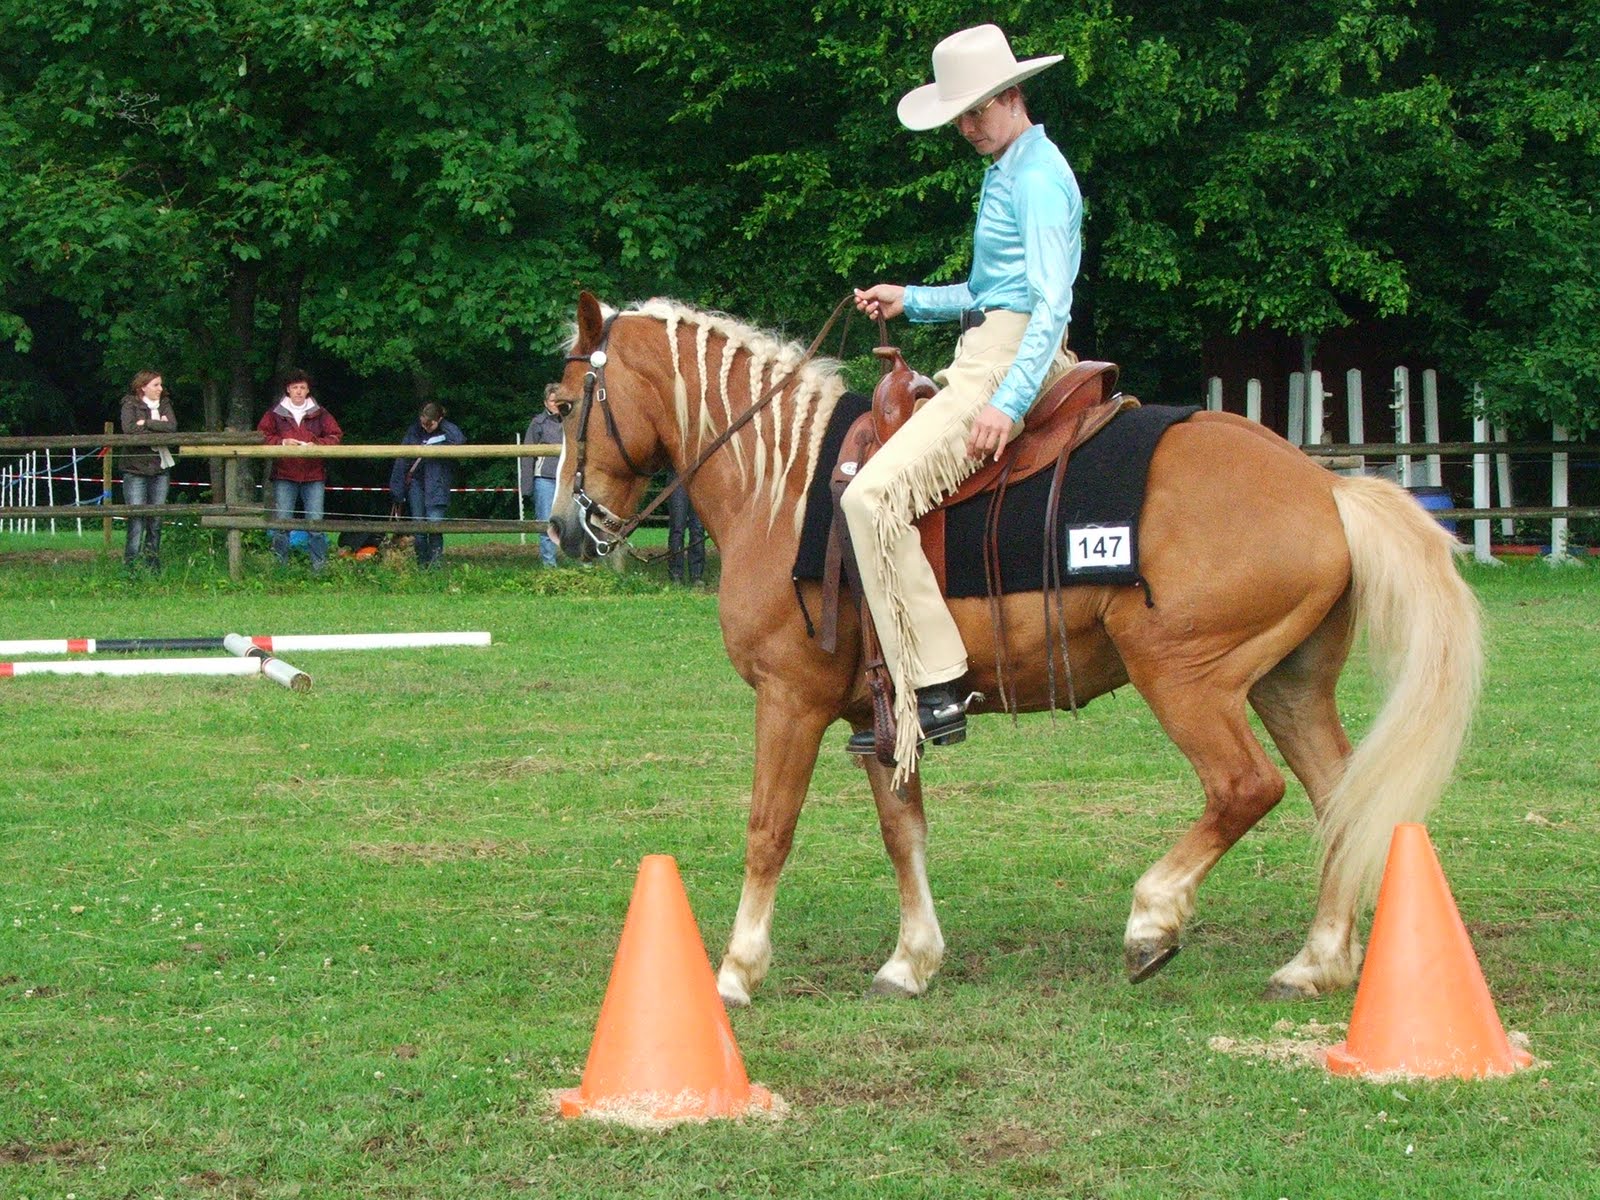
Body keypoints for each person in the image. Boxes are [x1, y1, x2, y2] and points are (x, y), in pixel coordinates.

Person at [841, 24, 1081, 780]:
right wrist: (908, 300)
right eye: (960, 117)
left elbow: (1048, 304)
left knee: (871, 499)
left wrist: (1007, 402)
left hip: (1007, 361)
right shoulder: (1009, 166)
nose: (967, 128)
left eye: (977, 111)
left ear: (1013, 96)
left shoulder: (1038, 176)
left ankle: (935, 680)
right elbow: (988, 293)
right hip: (985, 348)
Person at [257, 369, 343, 571]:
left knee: (316, 524)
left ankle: (319, 569)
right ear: (288, 389)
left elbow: (335, 435)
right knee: (282, 524)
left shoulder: (320, 413)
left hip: (314, 475)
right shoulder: (274, 414)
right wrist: (282, 442)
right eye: (295, 387)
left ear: (308, 390)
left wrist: (317, 445)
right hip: (284, 474)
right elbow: (261, 436)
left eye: (302, 387)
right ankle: (280, 567)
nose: (298, 391)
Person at [389, 401, 466, 568]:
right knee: (419, 530)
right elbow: (402, 460)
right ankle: (422, 565)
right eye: (423, 423)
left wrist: (443, 424)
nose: (425, 427)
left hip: (437, 485)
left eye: (429, 423)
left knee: (435, 527)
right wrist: (397, 489)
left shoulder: (447, 432)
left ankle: (436, 567)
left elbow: (459, 440)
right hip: (416, 484)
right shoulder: (413, 432)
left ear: (439, 419)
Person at [118, 370, 176, 574]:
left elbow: (171, 427)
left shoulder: (165, 404)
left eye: (160, 385)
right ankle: (131, 567)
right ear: (143, 387)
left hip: (159, 469)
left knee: (156, 520)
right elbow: (130, 430)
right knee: (136, 520)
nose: (160, 389)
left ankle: (153, 566)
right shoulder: (130, 405)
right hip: (135, 469)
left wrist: (147, 423)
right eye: (156, 385)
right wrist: (158, 425)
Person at [520, 385, 563, 567]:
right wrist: (527, 486)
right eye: (553, 401)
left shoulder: (572, 421)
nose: (556, 405)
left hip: (569, 481)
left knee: (576, 522)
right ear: (546, 402)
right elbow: (527, 456)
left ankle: (583, 564)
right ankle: (549, 566)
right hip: (545, 480)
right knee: (546, 524)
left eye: (559, 401)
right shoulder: (537, 423)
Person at [666, 487, 705, 585]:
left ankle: (696, 575)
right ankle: (675, 574)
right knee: (677, 529)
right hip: (678, 481)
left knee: (698, 530)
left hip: (698, 481)